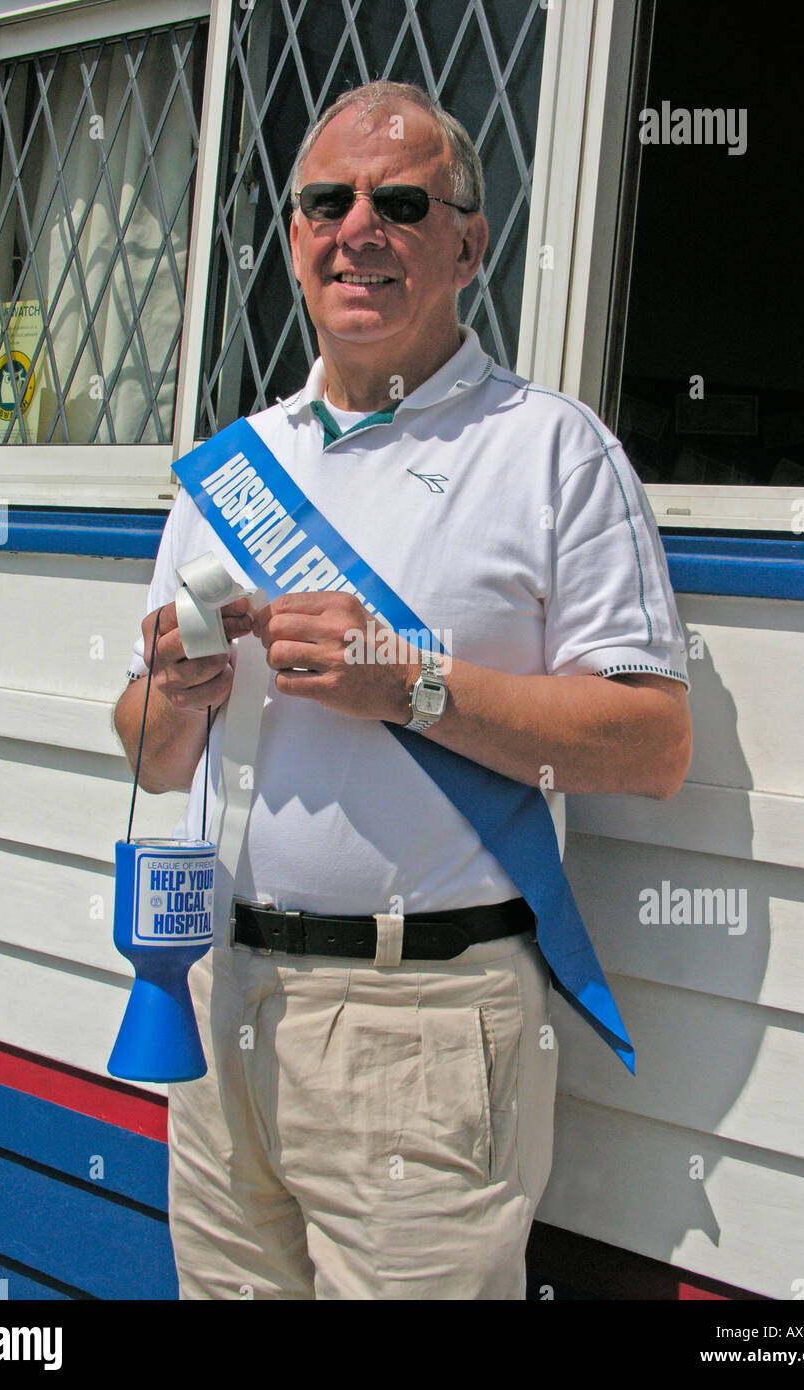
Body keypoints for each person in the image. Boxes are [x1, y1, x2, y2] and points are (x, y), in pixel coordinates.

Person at [114, 80, 692, 1300]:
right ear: (293, 240)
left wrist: (412, 686)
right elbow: (153, 758)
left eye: (402, 204)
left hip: (420, 1020)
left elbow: (649, 745)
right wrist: (175, 691)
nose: (357, 230)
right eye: (327, 202)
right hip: (220, 997)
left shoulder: (550, 449)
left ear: (467, 245)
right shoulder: (231, 469)